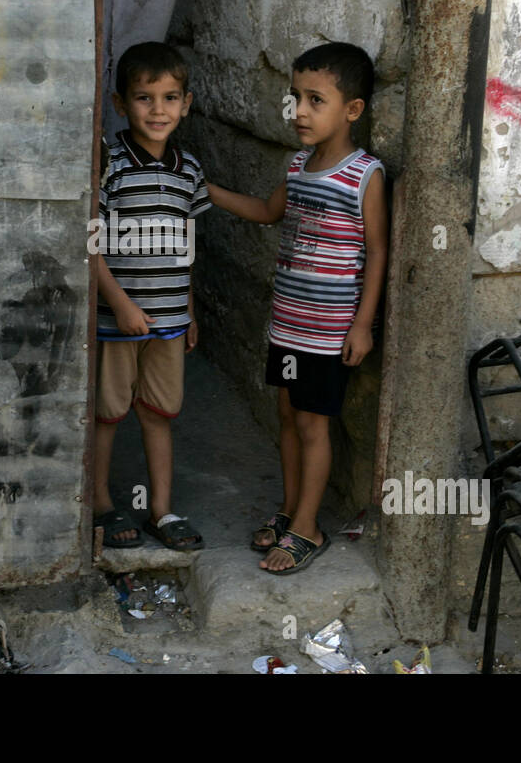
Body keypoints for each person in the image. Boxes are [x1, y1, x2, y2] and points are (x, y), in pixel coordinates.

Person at [207, 42, 387, 574]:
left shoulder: (364, 175)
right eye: (295, 98)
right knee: (286, 414)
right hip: (288, 319)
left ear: (352, 110)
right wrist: (207, 189)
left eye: (315, 100)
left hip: (329, 330)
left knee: (313, 424)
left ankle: (308, 527)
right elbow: (267, 212)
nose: (300, 112)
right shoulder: (296, 165)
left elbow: (378, 249)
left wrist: (362, 325)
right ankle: (289, 511)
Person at [91, 42, 210, 550]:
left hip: (168, 321)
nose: (157, 110)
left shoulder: (189, 170)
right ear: (121, 104)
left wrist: (188, 310)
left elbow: (186, 245)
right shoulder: (110, 164)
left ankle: (161, 510)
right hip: (115, 319)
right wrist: (119, 303)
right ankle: (98, 503)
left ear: (186, 103)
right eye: (144, 98)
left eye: (169, 98)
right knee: (106, 413)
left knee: (159, 413)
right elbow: (89, 241)